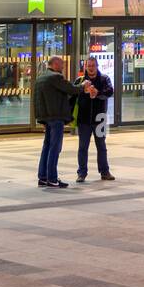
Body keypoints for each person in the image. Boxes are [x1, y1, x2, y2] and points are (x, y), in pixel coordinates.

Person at [33, 56, 89, 188]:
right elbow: (71, 89)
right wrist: (83, 86)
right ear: (56, 64)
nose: (63, 66)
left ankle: (43, 177)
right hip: (56, 116)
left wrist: (40, 117)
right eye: (62, 64)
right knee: (55, 148)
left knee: (47, 146)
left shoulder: (41, 77)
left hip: (46, 117)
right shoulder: (55, 77)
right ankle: (52, 178)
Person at [74, 56, 115, 182]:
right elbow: (72, 93)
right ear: (85, 66)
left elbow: (110, 91)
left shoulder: (104, 79)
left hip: (100, 118)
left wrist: (98, 92)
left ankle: (105, 171)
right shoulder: (80, 80)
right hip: (84, 119)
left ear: (97, 66)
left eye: (93, 65)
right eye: (88, 66)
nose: (91, 68)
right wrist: (82, 90)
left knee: (101, 146)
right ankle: (81, 173)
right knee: (82, 147)